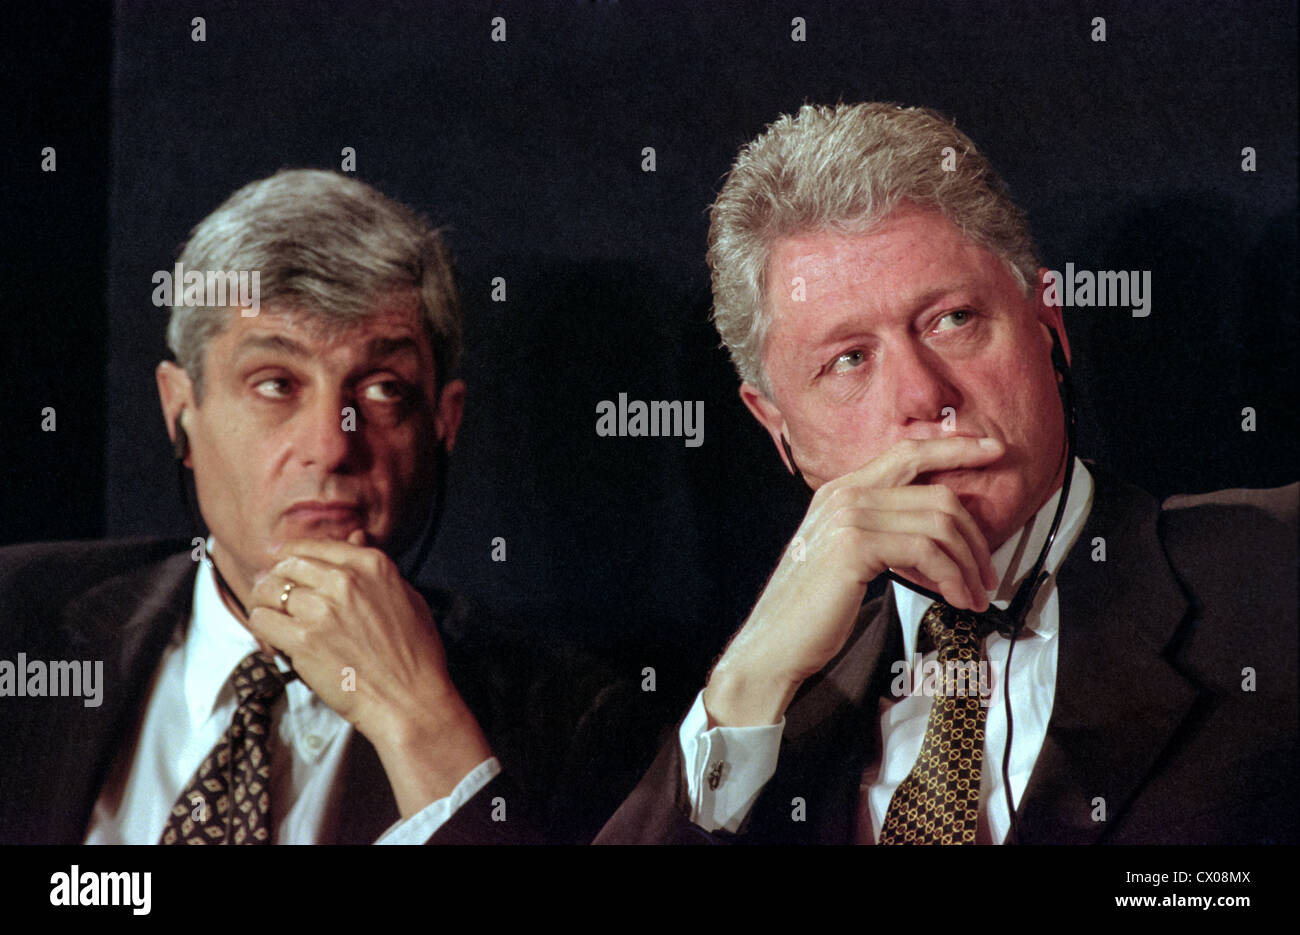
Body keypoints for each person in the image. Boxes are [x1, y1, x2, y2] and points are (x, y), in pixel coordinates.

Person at [597, 103, 1297, 845]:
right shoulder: (768, 729)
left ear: (1048, 325)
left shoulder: (1272, 572)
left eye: (952, 319)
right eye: (848, 360)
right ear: (782, 434)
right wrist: (743, 686)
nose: (924, 397)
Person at [0, 169, 630, 844]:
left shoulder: (571, 719)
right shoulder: (17, 615)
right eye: (275, 383)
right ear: (180, 411)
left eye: (384, 388)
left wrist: (417, 718)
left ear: (444, 424)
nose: (332, 444)